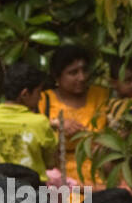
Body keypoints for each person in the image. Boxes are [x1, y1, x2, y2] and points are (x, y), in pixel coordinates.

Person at [40, 45, 110, 184]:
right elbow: (32, 127)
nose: (82, 77)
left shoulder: (101, 95)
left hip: (101, 173)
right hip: (61, 180)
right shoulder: (44, 100)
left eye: (84, 70)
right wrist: (56, 123)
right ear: (57, 76)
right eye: (73, 73)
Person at [0, 64, 57, 179]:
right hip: (31, 192)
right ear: (25, 94)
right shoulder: (39, 123)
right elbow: (51, 162)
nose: (40, 98)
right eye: (38, 92)